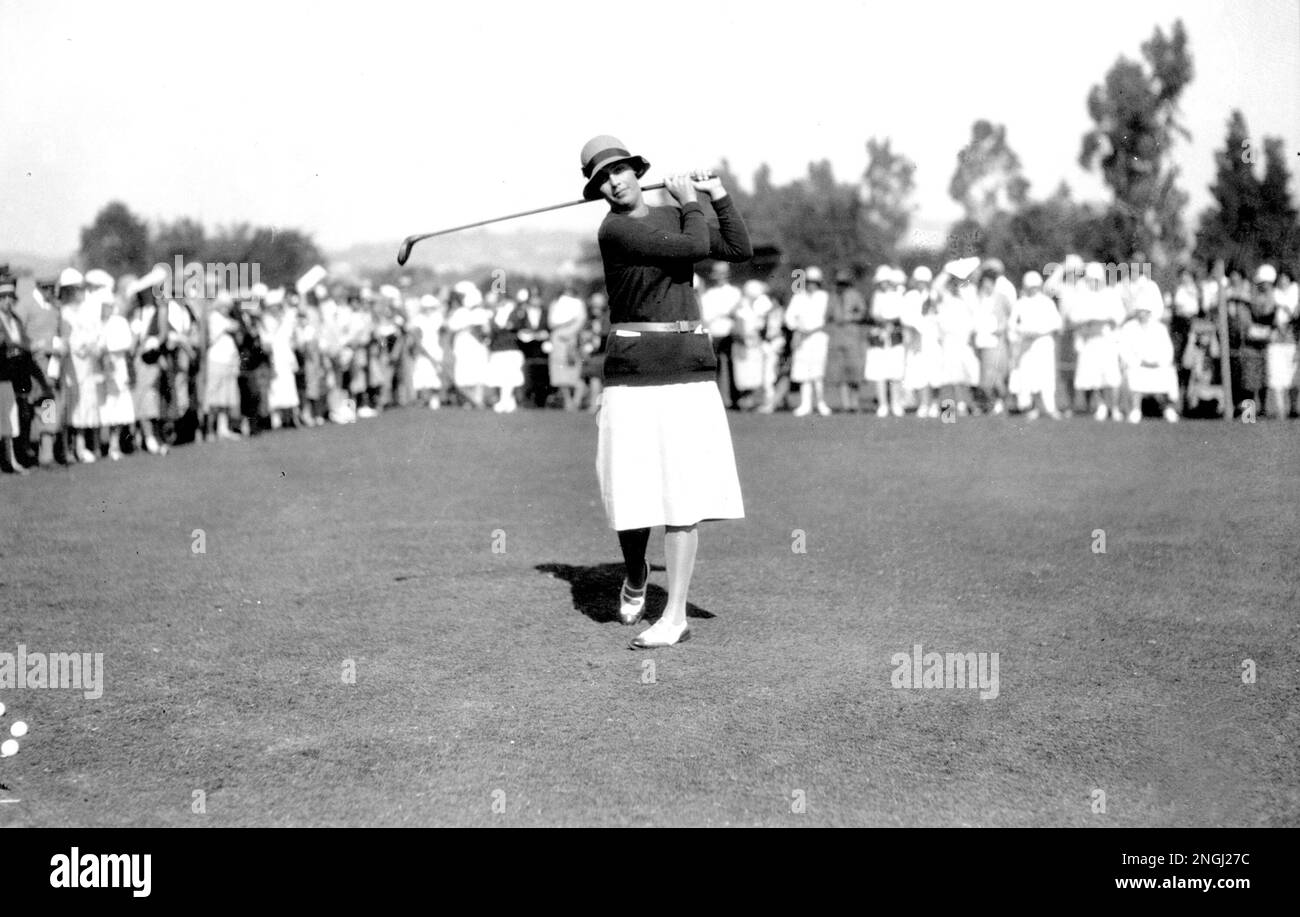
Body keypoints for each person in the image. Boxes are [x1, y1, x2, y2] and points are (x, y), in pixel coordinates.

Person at [580, 134, 751, 648]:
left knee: (682, 494)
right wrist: (691, 203)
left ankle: (674, 614)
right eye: (604, 177)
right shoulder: (614, 231)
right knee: (634, 490)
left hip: (689, 365)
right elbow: (696, 246)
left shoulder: (676, 215)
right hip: (635, 371)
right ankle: (636, 571)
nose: (615, 181)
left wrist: (718, 195)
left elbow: (736, 249)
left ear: (636, 170)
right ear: (598, 188)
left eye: (621, 170)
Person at [1007, 271, 1062, 419]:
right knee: (1026, 377)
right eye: (1030, 287)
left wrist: (1040, 331)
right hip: (1026, 345)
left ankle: (1050, 408)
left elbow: (1057, 323)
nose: (1033, 290)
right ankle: (1028, 407)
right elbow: (1012, 325)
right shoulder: (1020, 303)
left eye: (1035, 287)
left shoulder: (1046, 302)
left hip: (1043, 343)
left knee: (1046, 376)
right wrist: (1021, 333)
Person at [1118, 293, 1180, 423]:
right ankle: (1136, 409)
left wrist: (1159, 363)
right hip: (1138, 365)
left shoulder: (1160, 328)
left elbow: (1167, 350)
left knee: (1169, 373)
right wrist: (1139, 362)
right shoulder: (1128, 328)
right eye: (1140, 311)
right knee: (1133, 374)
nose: (1142, 314)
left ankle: (1168, 408)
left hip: (1158, 366)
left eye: (1145, 311)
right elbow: (1124, 350)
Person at [785, 266, 831, 416]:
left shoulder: (824, 296)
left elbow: (827, 318)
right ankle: (805, 405)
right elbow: (789, 317)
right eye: (809, 281)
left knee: (817, 372)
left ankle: (821, 403)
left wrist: (812, 330)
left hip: (818, 337)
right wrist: (798, 329)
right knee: (803, 372)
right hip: (802, 339)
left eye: (814, 282)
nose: (811, 284)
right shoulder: (798, 296)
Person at [824, 269, 868, 412]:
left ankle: (854, 403)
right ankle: (845, 404)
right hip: (837, 335)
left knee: (854, 370)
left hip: (851, 333)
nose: (841, 286)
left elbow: (862, 312)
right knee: (839, 371)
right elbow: (827, 315)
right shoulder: (832, 297)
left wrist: (851, 318)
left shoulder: (854, 295)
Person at [864, 266, 906, 417]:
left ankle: (896, 404)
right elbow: (874, 314)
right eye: (881, 282)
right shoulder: (876, 295)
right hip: (879, 337)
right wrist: (882, 322)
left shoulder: (898, 295)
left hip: (894, 337)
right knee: (879, 373)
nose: (883, 284)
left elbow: (901, 315)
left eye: (885, 281)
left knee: (895, 374)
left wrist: (891, 323)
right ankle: (883, 404)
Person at [699, 261, 741, 408]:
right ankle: (716, 400)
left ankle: (735, 399)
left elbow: (733, 312)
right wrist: (722, 313)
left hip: (729, 333)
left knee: (732, 367)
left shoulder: (734, 292)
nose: (719, 278)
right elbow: (707, 315)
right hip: (714, 333)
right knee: (715, 369)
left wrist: (722, 314)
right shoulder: (709, 294)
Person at [901, 265, 940, 418]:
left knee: (935, 375)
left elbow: (938, 316)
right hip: (917, 339)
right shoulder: (910, 296)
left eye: (924, 281)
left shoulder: (934, 296)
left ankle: (936, 405)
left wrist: (931, 310)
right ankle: (924, 404)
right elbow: (905, 317)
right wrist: (915, 326)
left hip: (933, 339)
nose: (921, 284)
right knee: (920, 374)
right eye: (919, 281)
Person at [546, 279, 586, 410]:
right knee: (560, 374)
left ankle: (576, 400)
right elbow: (551, 322)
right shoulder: (555, 304)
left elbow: (580, 321)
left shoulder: (579, 304)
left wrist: (569, 333)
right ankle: (568, 401)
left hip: (571, 341)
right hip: (558, 342)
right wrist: (563, 324)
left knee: (574, 372)